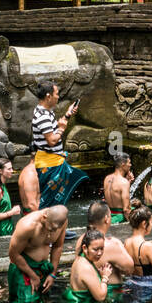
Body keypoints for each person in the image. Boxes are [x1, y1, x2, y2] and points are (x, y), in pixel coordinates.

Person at [27, 81, 87, 209]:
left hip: (52, 162)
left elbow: (53, 129)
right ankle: (49, 227)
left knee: (56, 200)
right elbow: (52, 140)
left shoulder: (44, 111)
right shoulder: (43, 116)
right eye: (57, 94)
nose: (58, 97)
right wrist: (61, 129)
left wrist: (67, 114)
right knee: (50, 204)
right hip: (50, 164)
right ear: (48, 96)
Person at [7, 204, 68, 303]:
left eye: (55, 229)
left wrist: (52, 273)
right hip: (23, 267)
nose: (52, 232)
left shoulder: (61, 222)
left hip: (43, 268)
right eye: (50, 228)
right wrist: (33, 276)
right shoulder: (28, 226)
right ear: (44, 217)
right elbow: (13, 254)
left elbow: (57, 246)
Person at [75, 200, 133, 286]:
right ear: (106, 219)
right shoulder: (112, 244)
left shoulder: (81, 239)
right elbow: (130, 269)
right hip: (110, 292)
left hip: (89, 290)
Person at [66, 229, 110, 303]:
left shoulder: (79, 258)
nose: (100, 253)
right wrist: (105, 277)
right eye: (96, 249)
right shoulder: (86, 268)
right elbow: (100, 297)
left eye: (102, 248)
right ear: (85, 248)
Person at [123, 206, 152, 282]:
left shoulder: (127, 243)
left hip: (134, 284)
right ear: (144, 224)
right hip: (149, 287)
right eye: (151, 222)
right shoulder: (147, 246)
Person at [0, 157, 22, 236]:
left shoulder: (2, 185)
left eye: (11, 168)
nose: (12, 171)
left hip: (5, 229)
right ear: (0, 171)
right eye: (9, 169)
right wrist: (12, 212)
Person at [103, 153, 133, 225]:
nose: (130, 165)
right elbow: (126, 210)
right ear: (123, 164)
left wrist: (128, 181)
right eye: (129, 162)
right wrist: (133, 226)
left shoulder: (107, 178)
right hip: (120, 219)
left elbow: (114, 194)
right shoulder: (124, 183)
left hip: (109, 217)